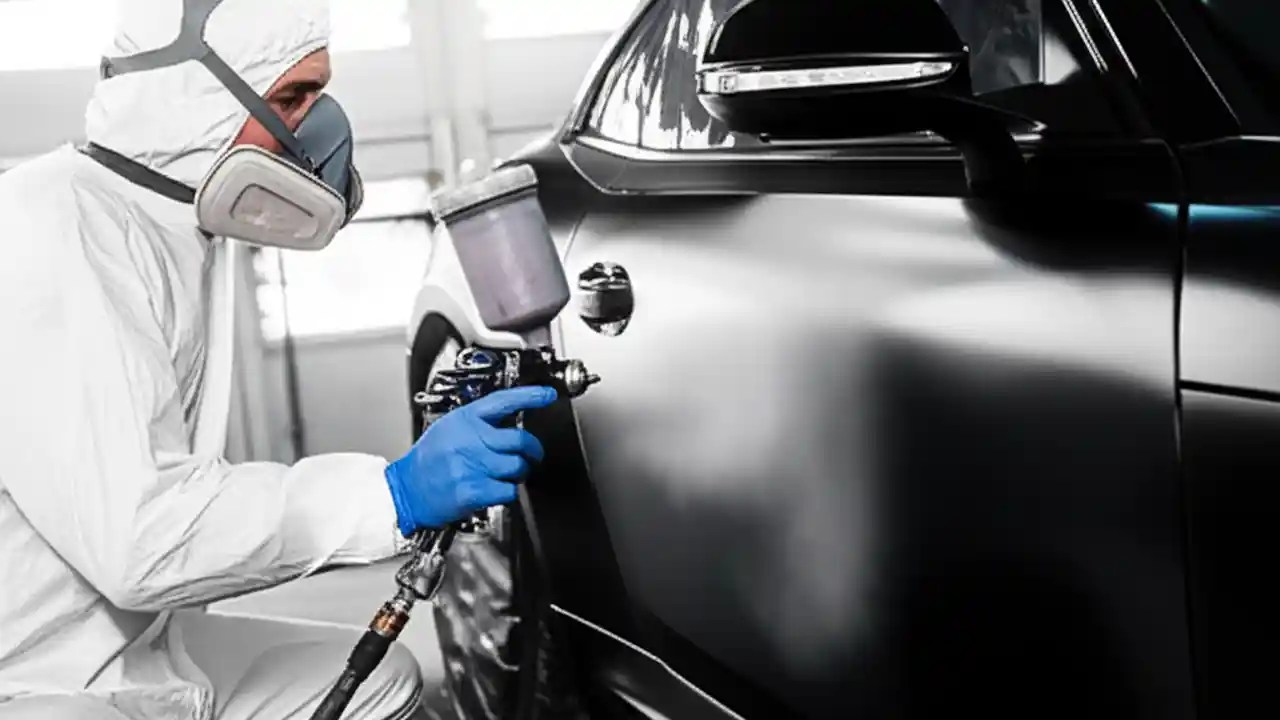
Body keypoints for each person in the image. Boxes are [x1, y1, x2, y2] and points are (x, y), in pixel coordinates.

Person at [0, 1, 555, 718]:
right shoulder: (51, 227)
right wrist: (391, 495)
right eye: (293, 97)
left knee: (381, 683)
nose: (316, 130)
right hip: (32, 674)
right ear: (194, 98)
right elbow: (140, 542)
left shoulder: (168, 227)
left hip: (128, 648)